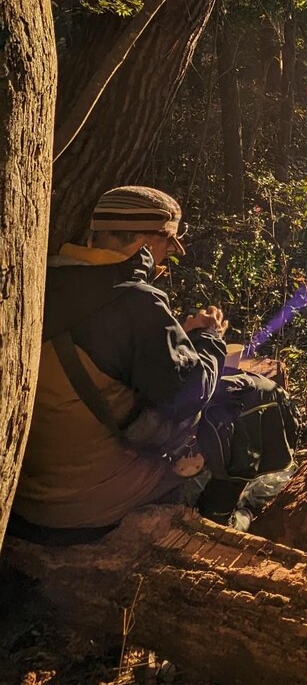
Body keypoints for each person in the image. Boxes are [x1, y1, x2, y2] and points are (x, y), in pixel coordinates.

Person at [10, 185, 285, 543]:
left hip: (28, 498)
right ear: (148, 240)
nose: (169, 255)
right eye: (170, 243)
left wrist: (176, 338)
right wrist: (209, 337)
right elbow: (190, 394)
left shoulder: (44, 277)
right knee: (251, 399)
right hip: (86, 508)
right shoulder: (135, 301)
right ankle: (220, 522)